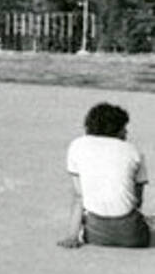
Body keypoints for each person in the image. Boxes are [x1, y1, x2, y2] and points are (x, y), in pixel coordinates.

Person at [59, 102, 150, 249]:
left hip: (95, 235)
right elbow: (138, 201)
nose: (126, 133)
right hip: (132, 235)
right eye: (124, 128)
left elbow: (79, 196)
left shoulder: (77, 146)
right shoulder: (134, 152)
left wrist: (72, 236)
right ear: (117, 129)